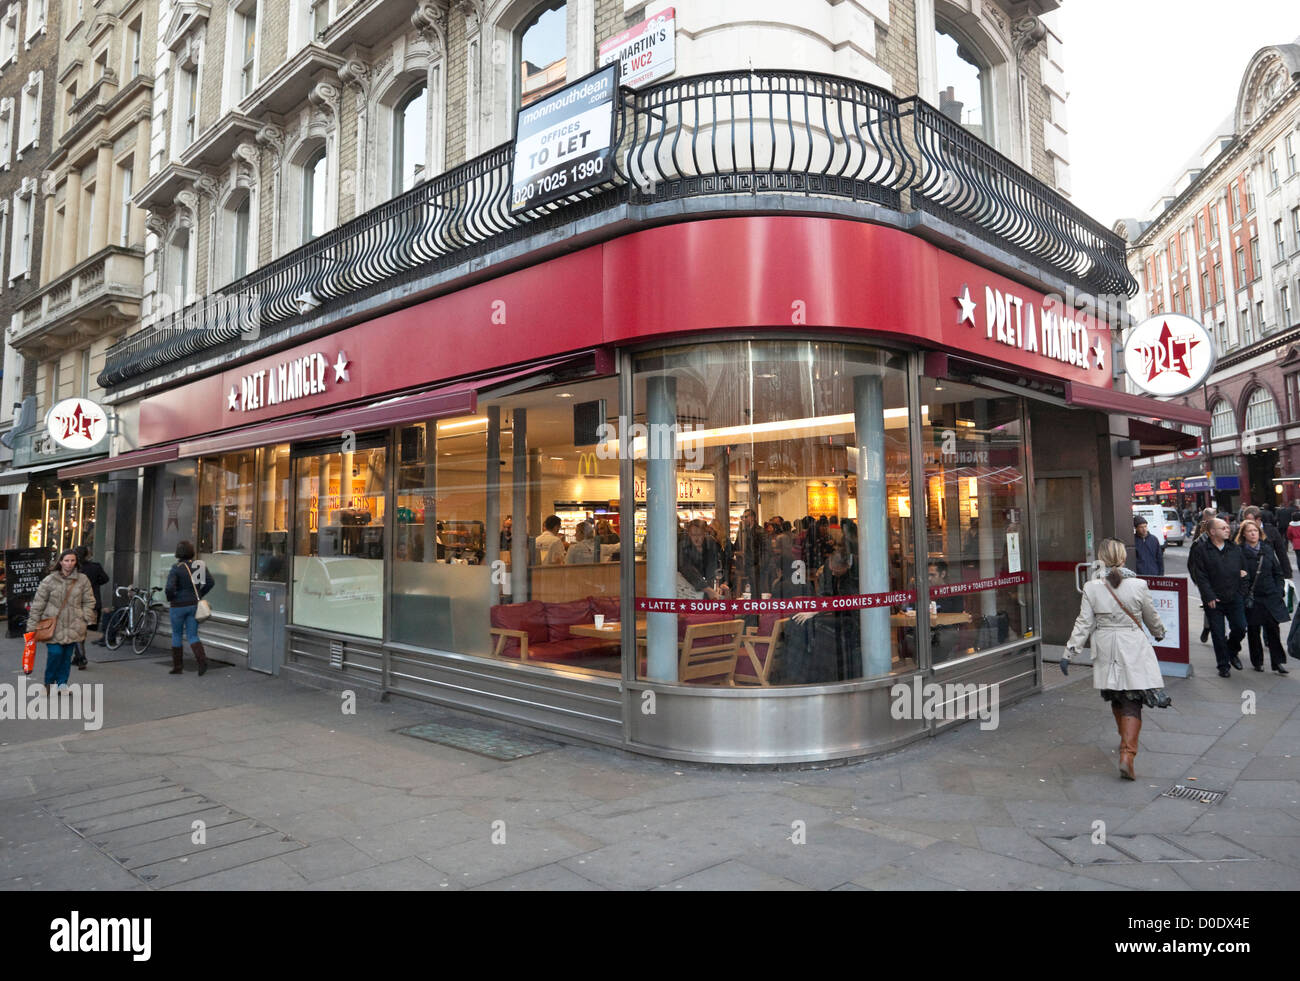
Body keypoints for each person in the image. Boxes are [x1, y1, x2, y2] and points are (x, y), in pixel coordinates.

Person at [1061, 539, 1170, 780]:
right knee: (1133, 698)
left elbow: (1084, 623)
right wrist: (1159, 632)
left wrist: (1069, 652)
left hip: (1106, 646)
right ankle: (1127, 755)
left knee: (1116, 695)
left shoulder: (1092, 586)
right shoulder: (1139, 585)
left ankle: (1124, 742)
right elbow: (1151, 616)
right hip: (1132, 645)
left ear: (1101, 558)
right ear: (1122, 558)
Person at [783, 520, 862, 682]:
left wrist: (818, 610)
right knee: (795, 621)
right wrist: (817, 608)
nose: (833, 574)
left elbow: (849, 601)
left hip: (850, 616)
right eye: (831, 570)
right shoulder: (829, 566)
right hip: (833, 611)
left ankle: (807, 675)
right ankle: (798, 674)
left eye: (836, 572)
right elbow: (825, 593)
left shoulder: (858, 570)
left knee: (812, 626)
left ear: (846, 566)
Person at [27, 550, 97, 696]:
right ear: (60, 562)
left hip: (74, 624)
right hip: (53, 625)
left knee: (66, 657)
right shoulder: (49, 580)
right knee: (55, 654)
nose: (69, 564)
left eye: (72, 561)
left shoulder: (82, 579)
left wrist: (85, 617)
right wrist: (32, 626)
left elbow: (89, 600)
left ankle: (62, 684)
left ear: (76, 562)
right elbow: (38, 604)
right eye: (66, 560)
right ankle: (48, 683)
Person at [1191, 517, 1248, 678]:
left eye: (1227, 527)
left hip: (1234, 596)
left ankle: (1232, 650)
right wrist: (1208, 595)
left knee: (1240, 627)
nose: (1227, 529)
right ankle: (1223, 665)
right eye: (1223, 528)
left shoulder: (1234, 548)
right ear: (1212, 532)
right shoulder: (1201, 550)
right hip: (1214, 599)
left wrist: (1242, 592)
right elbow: (1200, 576)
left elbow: (1244, 572)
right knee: (1218, 633)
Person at [1237, 519, 1290, 673]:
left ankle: (1278, 662)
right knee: (1254, 630)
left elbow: (1278, 572)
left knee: (1273, 629)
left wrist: (1279, 589)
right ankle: (1257, 661)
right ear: (1244, 534)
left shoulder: (1267, 549)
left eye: (1255, 531)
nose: (1253, 533)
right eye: (1249, 531)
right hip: (1252, 596)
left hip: (1270, 595)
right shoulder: (1239, 552)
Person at [165, 541, 215, 676]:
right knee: (193, 635)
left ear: (178, 553)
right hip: (193, 605)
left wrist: (171, 598)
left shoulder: (176, 568)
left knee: (177, 635)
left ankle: (178, 667)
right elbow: (210, 582)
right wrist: (198, 595)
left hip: (178, 607)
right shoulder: (199, 566)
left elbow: (169, 588)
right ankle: (202, 661)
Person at [73, 545, 109, 661]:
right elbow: (105, 579)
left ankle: (81, 657)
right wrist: (95, 584)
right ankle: (78, 657)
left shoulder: (73, 568)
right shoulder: (95, 567)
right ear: (87, 554)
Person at [678, 519, 729, 600]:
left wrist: (720, 584)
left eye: (699, 534)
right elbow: (687, 569)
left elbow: (715, 566)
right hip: (688, 588)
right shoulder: (683, 546)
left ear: (704, 534)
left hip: (708, 586)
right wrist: (707, 589)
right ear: (689, 534)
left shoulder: (711, 543)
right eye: (693, 535)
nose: (697, 538)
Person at [1244, 505, 1292, 579]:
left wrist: (1287, 574)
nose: (1247, 523)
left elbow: (1281, 553)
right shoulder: (1241, 531)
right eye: (1245, 520)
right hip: (1250, 573)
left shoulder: (1271, 531)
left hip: (1269, 571)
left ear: (1258, 519)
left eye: (1250, 520)